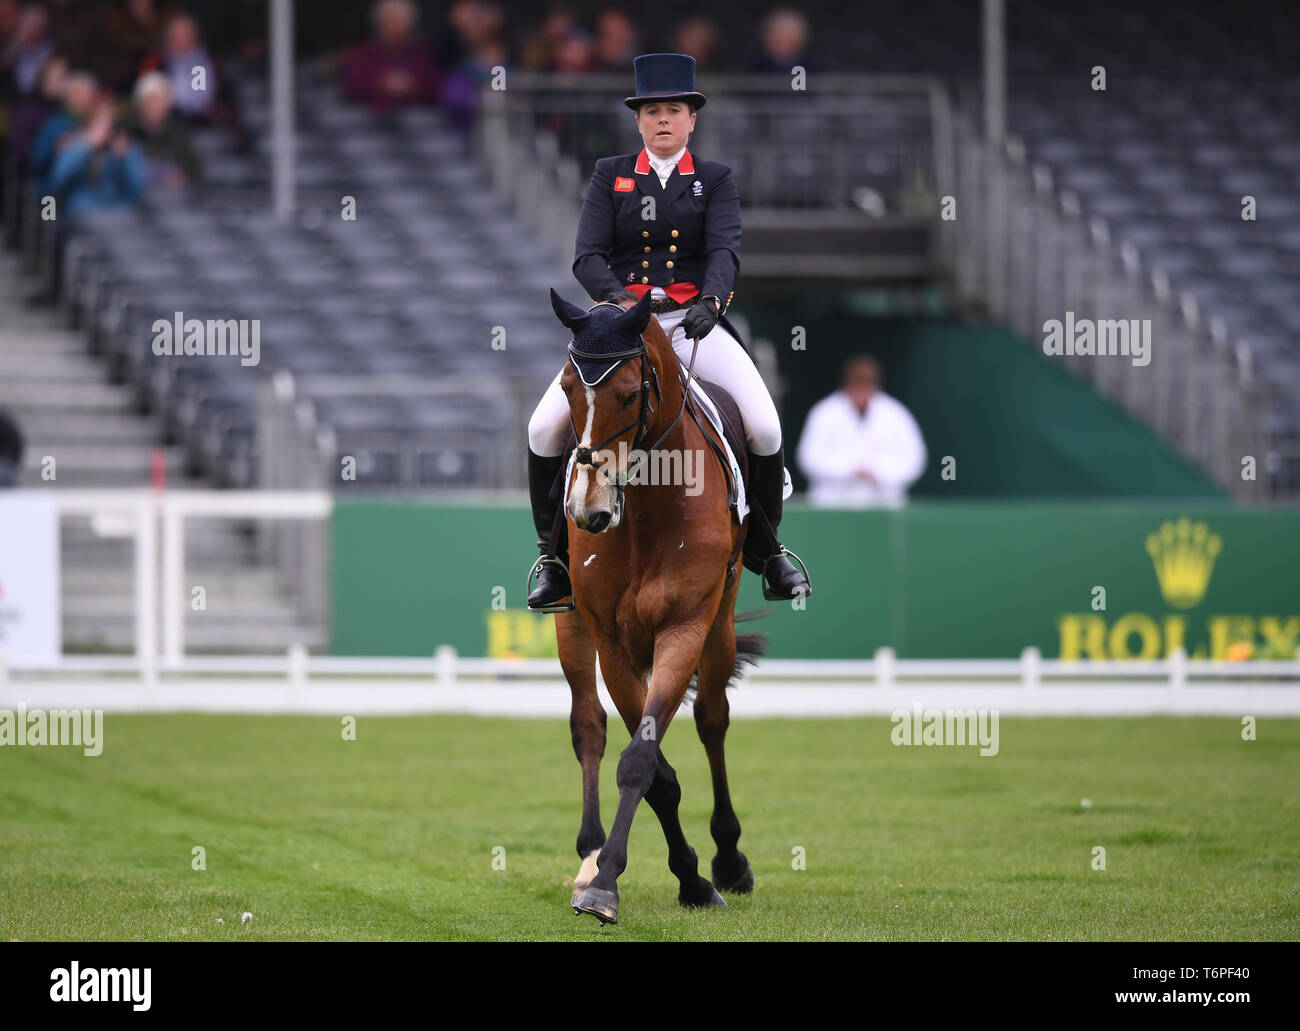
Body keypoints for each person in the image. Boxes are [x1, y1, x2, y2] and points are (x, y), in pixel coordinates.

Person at [525, 52, 812, 609]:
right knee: (542, 429)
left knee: (765, 426)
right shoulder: (612, 175)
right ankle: (552, 560)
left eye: (673, 110)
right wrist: (625, 306)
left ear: (691, 119)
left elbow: (725, 252)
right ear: (638, 120)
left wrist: (713, 300)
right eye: (652, 110)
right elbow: (587, 258)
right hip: (622, 330)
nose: (663, 119)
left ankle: (770, 553)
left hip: (692, 327)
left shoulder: (714, 180)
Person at [796, 354, 927, 507]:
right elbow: (808, 458)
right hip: (832, 507)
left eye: (866, 383)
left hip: (883, 506)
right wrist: (850, 470)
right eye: (857, 382)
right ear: (848, 382)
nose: (862, 390)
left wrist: (879, 473)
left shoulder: (896, 414)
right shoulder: (825, 413)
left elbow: (914, 460)